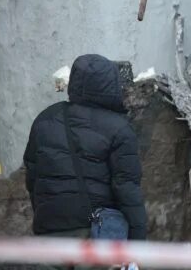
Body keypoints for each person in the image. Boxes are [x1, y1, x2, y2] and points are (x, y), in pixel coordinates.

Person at [24, 54, 147, 241]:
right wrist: (138, 239)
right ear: (110, 86)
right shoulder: (119, 128)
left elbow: (32, 177)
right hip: (95, 232)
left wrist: (45, 216)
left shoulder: (45, 119)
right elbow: (127, 190)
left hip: (49, 233)